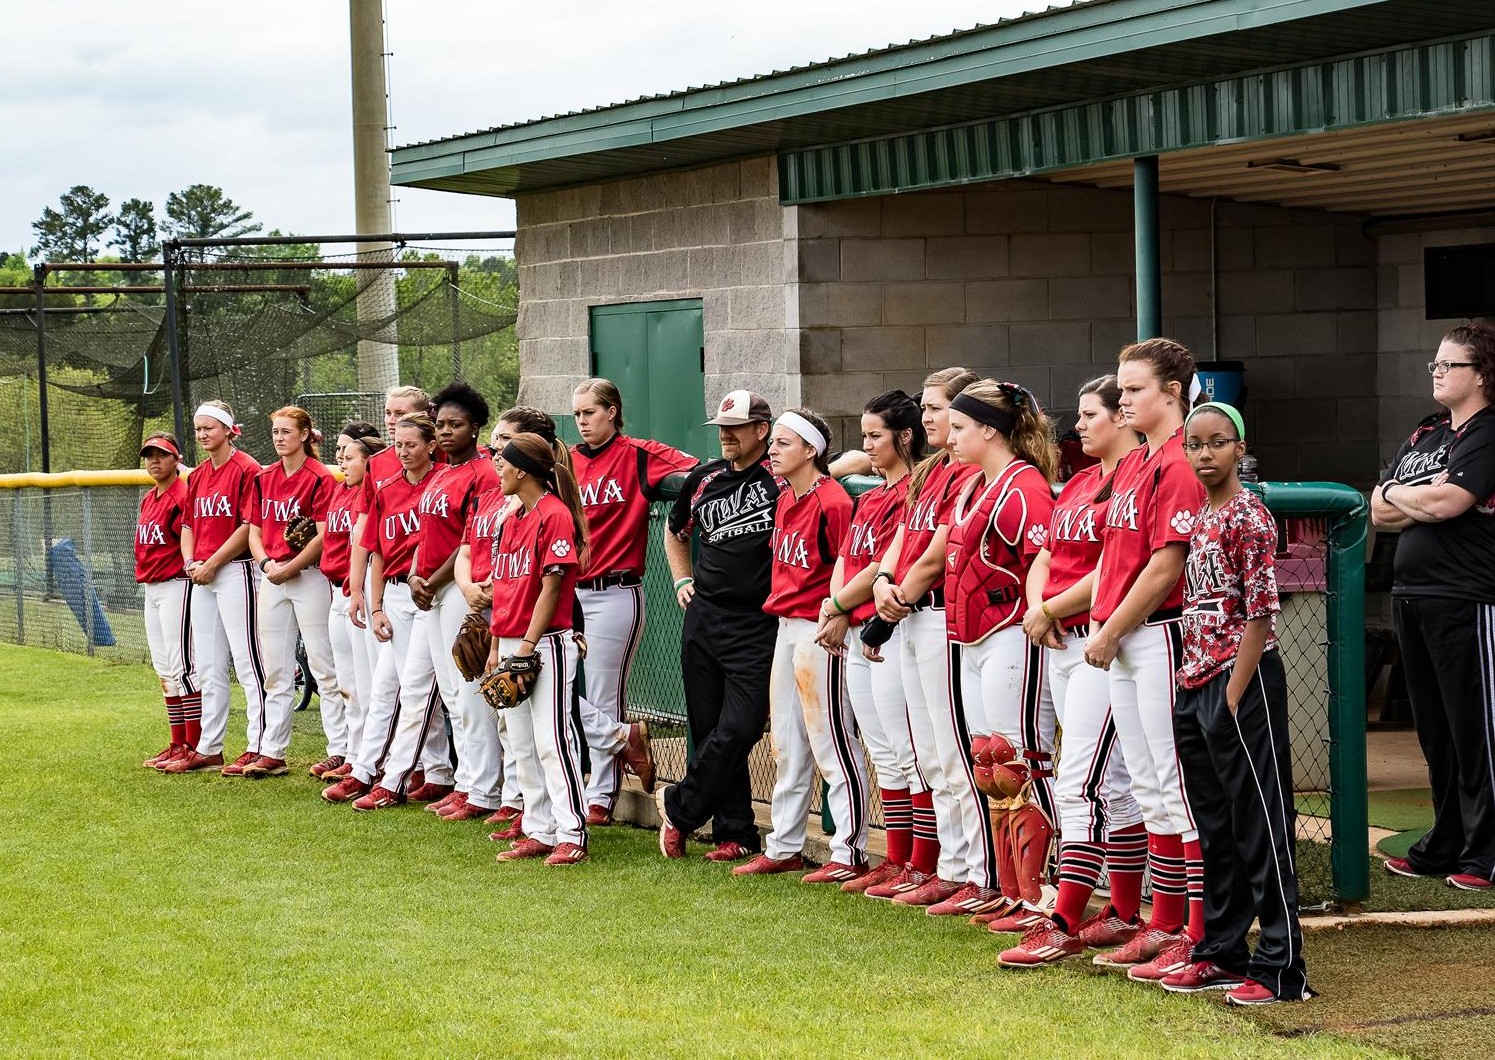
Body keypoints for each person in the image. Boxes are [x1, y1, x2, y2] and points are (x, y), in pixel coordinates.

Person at [999, 376, 1149, 966]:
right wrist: (1041, 605)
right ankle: (1123, 911)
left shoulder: (1135, 478)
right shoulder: (1082, 480)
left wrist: (1050, 609)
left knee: (1083, 780)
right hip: (1061, 638)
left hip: (1104, 640)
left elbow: (1117, 567)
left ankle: (1067, 916)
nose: (1079, 426)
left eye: (1092, 415)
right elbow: (1045, 555)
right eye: (1079, 415)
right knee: (1108, 785)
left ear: (1124, 417)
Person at [1166, 401, 1311, 1005]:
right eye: (1195, 444)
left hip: (1238, 683)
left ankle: (1282, 969)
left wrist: (1230, 695)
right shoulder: (1200, 512)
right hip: (1197, 683)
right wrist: (1195, 690)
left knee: (1260, 825)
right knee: (1217, 826)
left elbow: (1260, 615)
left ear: (1238, 448)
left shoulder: (1248, 514)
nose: (1205, 455)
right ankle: (1223, 951)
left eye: (1217, 443)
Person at [1083, 338, 1208, 979]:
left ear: (1172, 392)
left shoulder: (1182, 460)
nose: (1123, 398)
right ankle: (1163, 924)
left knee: (1174, 785)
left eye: (1134, 389)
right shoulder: (1135, 463)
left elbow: (1167, 567)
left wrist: (1108, 632)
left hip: (1160, 634)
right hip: (1127, 635)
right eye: (1122, 389)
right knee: (1150, 787)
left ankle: (1199, 933)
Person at [1373, 322, 1495, 893]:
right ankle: (1444, 842)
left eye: (1449, 365)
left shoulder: (1489, 430)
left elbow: (1452, 502)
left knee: (1477, 730)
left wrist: (1412, 498)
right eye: (1435, 365)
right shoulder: (1426, 432)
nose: (1437, 373)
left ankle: (1487, 852)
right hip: (1412, 597)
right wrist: (1405, 495)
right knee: (1435, 731)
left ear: (1483, 374)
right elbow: (1378, 509)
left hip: (1467, 598)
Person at [733, 407, 868, 880]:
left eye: (784, 444)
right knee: (786, 744)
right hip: (785, 626)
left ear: (811, 450)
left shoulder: (832, 501)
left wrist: (841, 613)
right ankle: (785, 844)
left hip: (821, 627)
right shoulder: (788, 497)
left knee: (831, 743)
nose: (772, 451)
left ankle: (848, 852)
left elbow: (849, 566)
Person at [867, 367, 982, 910]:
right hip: (912, 612)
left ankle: (974, 874)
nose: (929, 416)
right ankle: (949, 866)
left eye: (938, 408)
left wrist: (893, 604)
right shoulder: (933, 468)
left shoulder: (969, 472)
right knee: (931, 753)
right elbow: (902, 543)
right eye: (928, 407)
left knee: (956, 754)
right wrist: (886, 583)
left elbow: (937, 554)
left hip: (939, 616)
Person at [943, 379, 1058, 921]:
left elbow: (1043, 557)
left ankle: (1048, 893)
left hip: (1012, 631)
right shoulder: (973, 483)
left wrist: (1039, 612)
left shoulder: (1023, 485)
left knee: (1018, 759)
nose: (950, 435)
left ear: (990, 430)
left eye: (961, 426)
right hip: (973, 638)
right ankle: (1015, 890)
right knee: (989, 761)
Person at [814, 390, 933, 894]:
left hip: (890, 627)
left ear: (905, 436)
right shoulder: (870, 493)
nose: (866, 445)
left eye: (874, 435)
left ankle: (921, 862)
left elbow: (881, 565)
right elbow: (847, 556)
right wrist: (836, 605)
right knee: (883, 750)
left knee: (910, 751)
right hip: (858, 627)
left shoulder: (913, 489)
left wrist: (839, 606)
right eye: (863, 436)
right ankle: (899, 858)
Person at [655, 390, 782, 861]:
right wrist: (681, 577)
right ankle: (736, 832)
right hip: (705, 615)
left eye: (736, 427)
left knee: (742, 726)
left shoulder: (779, 477)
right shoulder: (705, 478)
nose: (726, 435)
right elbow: (675, 531)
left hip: (758, 619)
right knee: (709, 730)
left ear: (761, 431)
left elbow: (830, 467)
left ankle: (679, 808)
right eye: (721, 428)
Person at [568, 378, 687, 824]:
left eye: (590, 412)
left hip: (615, 592)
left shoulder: (638, 454)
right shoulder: (567, 461)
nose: (582, 421)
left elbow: (701, 473)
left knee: (600, 694)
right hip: (568, 592)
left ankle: (601, 795)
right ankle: (624, 739)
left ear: (613, 411)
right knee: (558, 686)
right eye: (577, 414)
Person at [323, 413, 451, 805]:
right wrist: (375, 604)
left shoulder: (443, 482)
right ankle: (376, 772)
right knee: (387, 688)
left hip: (433, 594)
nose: (404, 451)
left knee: (416, 690)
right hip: (395, 593)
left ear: (432, 446)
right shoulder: (389, 486)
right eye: (399, 444)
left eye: (412, 444)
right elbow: (377, 550)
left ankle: (395, 778)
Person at [390, 383, 502, 820]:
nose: (447, 431)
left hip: (460, 587)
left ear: (476, 428)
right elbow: (429, 535)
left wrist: (432, 582)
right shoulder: (440, 473)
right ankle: (467, 781)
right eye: (441, 425)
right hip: (432, 588)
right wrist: (418, 574)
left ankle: (484, 791)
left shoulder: (484, 473)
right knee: (452, 695)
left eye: (456, 424)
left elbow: (468, 541)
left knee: (470, 691)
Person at [484, 432, 591, 865]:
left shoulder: (554, 514)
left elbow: (552, 587)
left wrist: (527, 644)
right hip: (512, 637)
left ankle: (572, 833)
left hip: (546, 641)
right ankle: (539, 829)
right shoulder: (513, 518)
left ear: (522, 470)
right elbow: (504, 590)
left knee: (552, 739)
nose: (499, 470)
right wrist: (496, 645)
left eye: (504, 463)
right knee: (522, 743)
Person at [223, 406, 343, 778]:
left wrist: (290, 566)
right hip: (272, 575)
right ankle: (273, 751)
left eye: (287, 431)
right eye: (275, 431)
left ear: (306, 435)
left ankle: (340, 749)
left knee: (324, 667)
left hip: (308, 577)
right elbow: (254, 530)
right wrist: (265, 565)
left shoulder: (321, 477)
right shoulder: (264, 477)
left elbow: (324, 535)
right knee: (277, 668)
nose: (278, 437)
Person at [178, 400, 267, 776]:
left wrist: (212, 562)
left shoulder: (247, 469)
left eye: (209, 427)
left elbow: (250, 526)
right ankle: (210, 747)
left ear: (229, 430)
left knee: (249, 662)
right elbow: (187, 526)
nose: (202, 434)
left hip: (236, 570)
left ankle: (260, 744)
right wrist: (191, 562)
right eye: (198, 429)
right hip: (202, 574)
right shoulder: (197, 475)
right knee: (209, 665)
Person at [311, 422, 385, 780]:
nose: (341, 459)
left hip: (364, 592)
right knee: (347, 683)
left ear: (370, 461)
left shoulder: (370, 494)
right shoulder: (341, 490)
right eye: (339, 452)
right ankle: (353, 754)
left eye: (349, 454)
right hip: (339, 592)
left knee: (369, 684)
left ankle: (374, 758)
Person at [136, 433, 202, 771]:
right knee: (164, 669)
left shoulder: (183, 493)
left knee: (183, 667)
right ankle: (177, 743)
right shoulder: (150, 497)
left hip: (178, 584)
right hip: (153, 588)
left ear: (176, 459)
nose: (154, 461)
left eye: (161, 455)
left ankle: (195, 744)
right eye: (149, 456)